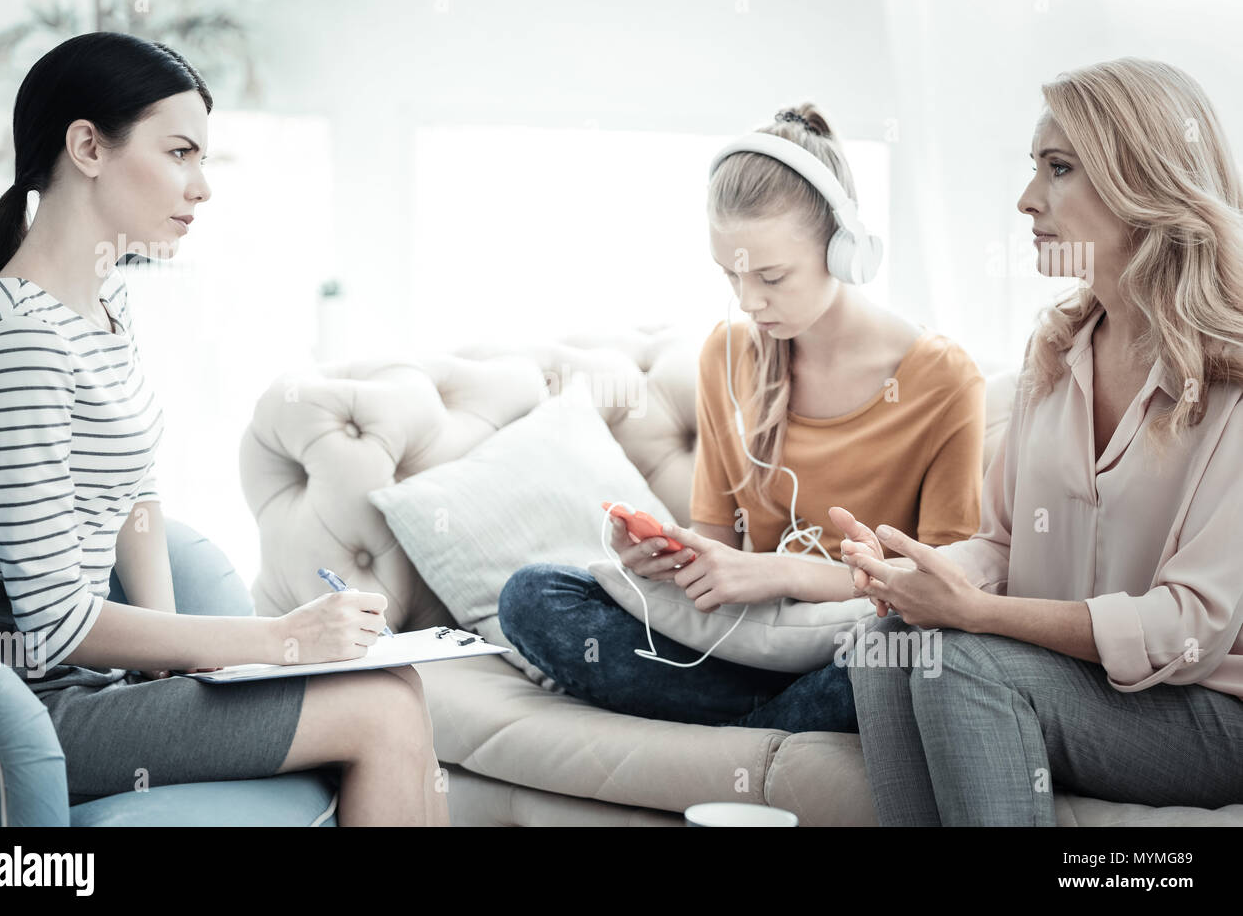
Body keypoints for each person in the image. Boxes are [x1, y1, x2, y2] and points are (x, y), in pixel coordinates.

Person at [0, 32, 447, 826]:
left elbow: (135, 490)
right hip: (25, 703)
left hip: (86, 684)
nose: (201, 187)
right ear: (87, 147)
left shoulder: (104, 310)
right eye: (180, 153)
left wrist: (186, 657)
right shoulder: (19, 340)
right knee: (379, 712)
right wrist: (279, 638)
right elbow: (56, 622)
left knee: (396, 685)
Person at [841, 57, 1243, 825]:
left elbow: (1190, 624)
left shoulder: (1234, 381)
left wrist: (976, 617)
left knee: (959, 663)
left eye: (1058, 169)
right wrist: (916, 573)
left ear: (1145, 185)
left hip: (1208, 711)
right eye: (1034, 168)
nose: (1027, 200)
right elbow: (997, 545)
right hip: (1063, 679)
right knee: (886, 645)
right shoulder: (1057, 353)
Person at [498, 104, 986, 733]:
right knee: (534, 596)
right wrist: (667, 558)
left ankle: (739, 724)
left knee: (921, 656)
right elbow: (718, 547)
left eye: (772, 277)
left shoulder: (943, 378)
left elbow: (943, 590)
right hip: (740, 645)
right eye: (729, 274)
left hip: (852, 645)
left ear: (845, 252)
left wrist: (782, 572)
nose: (749, 302)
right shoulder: (724, 356)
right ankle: (774, 722)